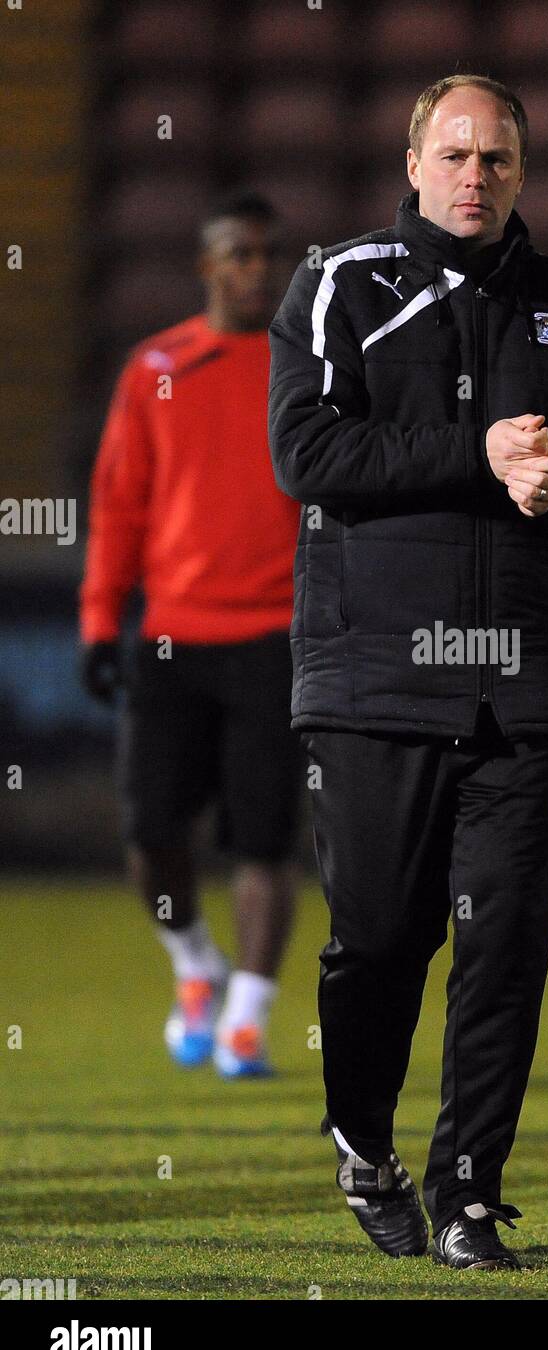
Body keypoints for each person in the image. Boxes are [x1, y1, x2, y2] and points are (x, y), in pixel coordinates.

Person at [269, 75, 548, 1267]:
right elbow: (307, 450)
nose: (474, 174)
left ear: (522, 173)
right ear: (414, 161)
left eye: (496, 157)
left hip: (525, 685)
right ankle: (361, 1142)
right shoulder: (339, 284)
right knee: (380, 942)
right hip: (374, 674)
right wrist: (477, 456)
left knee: (504, 944)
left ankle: (471, 1192)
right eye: (455, 153)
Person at [79, 193, 303, 1079]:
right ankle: (194, 965)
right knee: (150, 833)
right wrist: (102, 623)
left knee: (264, 841)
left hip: (278, 636)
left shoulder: (309, 366)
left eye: (268, 254)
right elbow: (116, 507)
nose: (257, 268)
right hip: (172, 637)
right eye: (240, 254)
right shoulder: (158, 367)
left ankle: (246, 1016)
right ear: (208, 266)